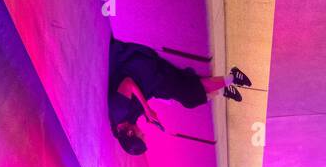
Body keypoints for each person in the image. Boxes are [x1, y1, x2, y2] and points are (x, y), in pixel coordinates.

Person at [108, 38, 252, 155]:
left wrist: (146, 109)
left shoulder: (119, 111)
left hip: (141, 70)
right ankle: (224, 88)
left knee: (189, 94)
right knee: (188, 99)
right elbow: (133, 106)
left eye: (141, 135)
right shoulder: (124, 126)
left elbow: (128, 83)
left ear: (131, 132)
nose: (143, 133)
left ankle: (233, 77)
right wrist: (147, 115)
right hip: (149, 86)